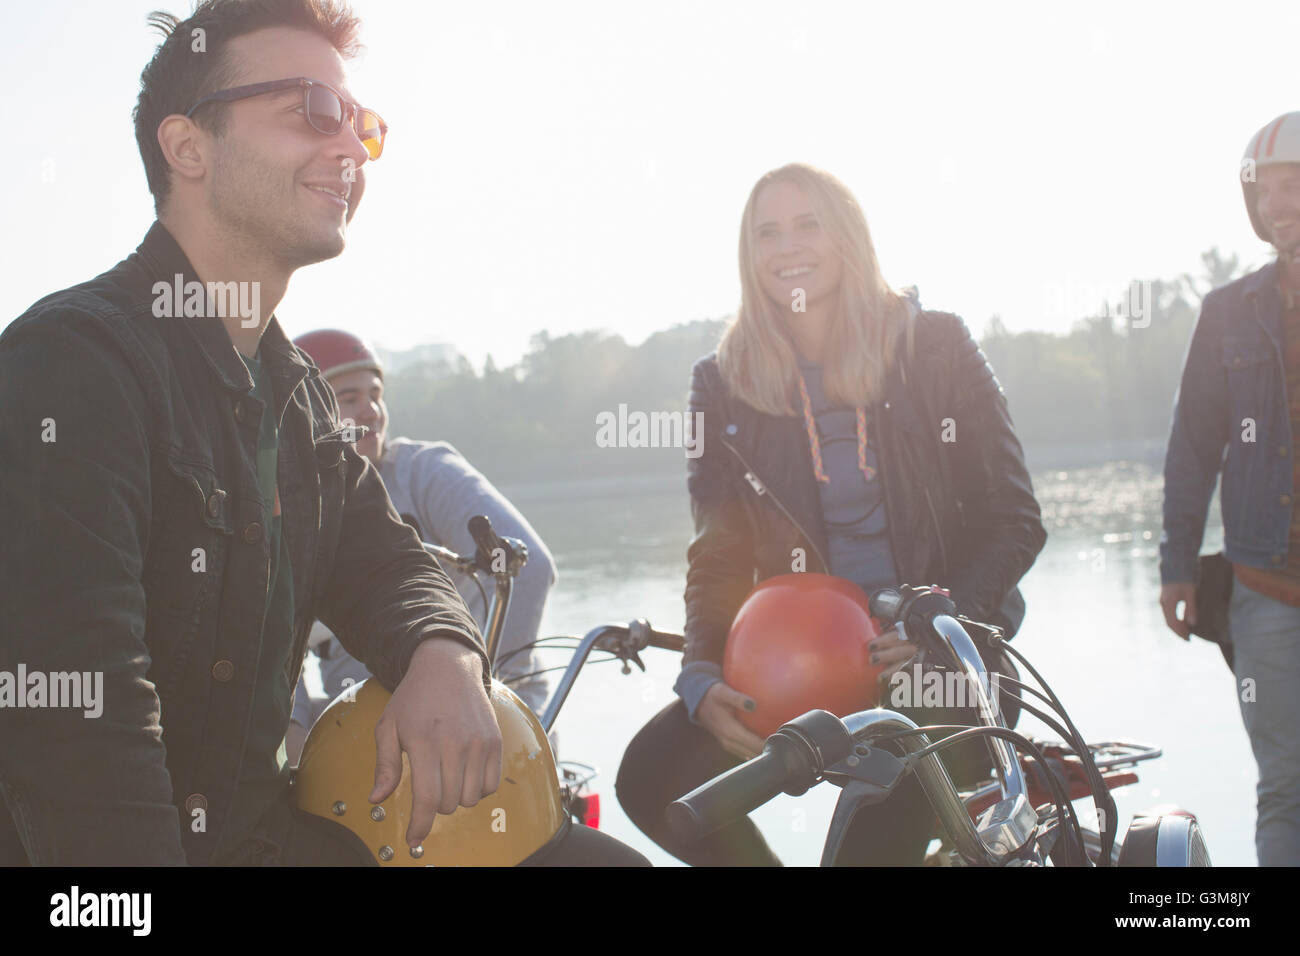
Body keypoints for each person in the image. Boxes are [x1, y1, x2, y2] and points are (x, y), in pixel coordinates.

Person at [0, 0, 644, 867]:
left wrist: (444, 648)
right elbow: (80, 723)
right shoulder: (74, 362)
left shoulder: (295, 398)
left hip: (266, 838)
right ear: (187, 146)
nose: (350, 149)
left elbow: (385, 559)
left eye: (361, 124)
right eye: (312, 110)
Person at [615, 162, 1047, 866]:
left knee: (868, 844)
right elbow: (717, 552)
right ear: (748, 256)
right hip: (802, 667)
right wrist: (701, 674)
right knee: (651, 777)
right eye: (767, 232)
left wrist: (944, 621)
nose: (788, 247)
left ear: (847, 235)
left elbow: (1015, 519)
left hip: (939, 668)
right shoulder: (722, 383)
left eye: (807, 224)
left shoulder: (935, 345)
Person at [284, 329, 558, 765]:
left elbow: (528, 567)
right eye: (349, 398)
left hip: (479, 704)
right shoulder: (283, 512)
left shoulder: (423, 470)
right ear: (304, 411)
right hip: (361, 718)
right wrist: (292, 741)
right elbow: (276, 646)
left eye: (376, 394)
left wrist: (487, 693)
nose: (372, 411)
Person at [1160, 111, 1300, 867]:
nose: (1282, 203)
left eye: (1297, 184)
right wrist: (1177, 564)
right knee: (1286, 789)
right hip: (1265, 592)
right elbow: (1193, 448)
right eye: (1268, 190)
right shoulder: (1225, 315)